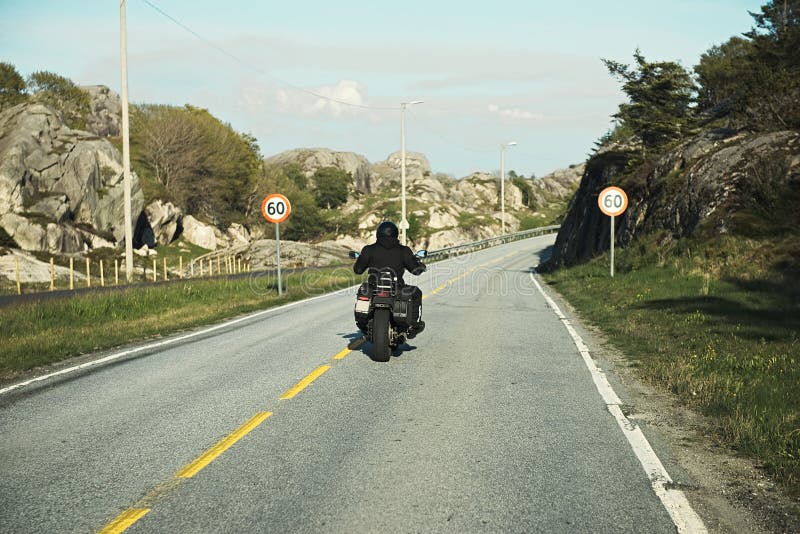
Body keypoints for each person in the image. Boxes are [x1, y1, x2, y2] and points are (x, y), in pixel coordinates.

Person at [353, 221, 426, 338]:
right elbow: (416, 271)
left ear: (378, 234)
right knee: (416, 292)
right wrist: (421, 266)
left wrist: (359, 260)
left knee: (363, 291)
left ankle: (363, 323)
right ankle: (414, 326)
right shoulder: (404, 250)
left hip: (373, 287)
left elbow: (358, 270)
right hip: (396, 288)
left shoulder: (368, 249)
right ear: (396, 234)